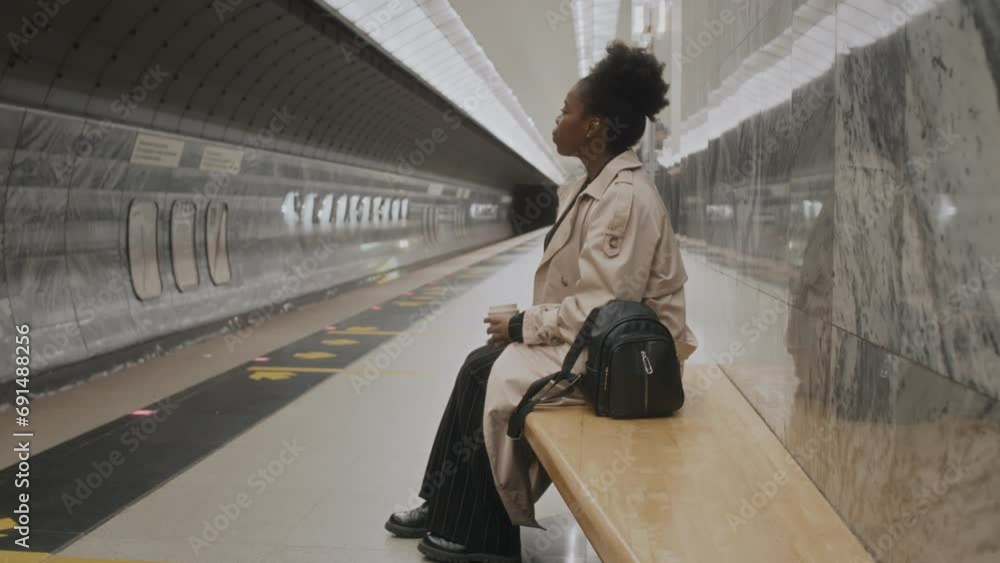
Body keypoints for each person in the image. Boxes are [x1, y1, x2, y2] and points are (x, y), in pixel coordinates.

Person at [385, 40, 698, 562]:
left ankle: (480, 533)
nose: (558, 119)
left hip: (631, 364)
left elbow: (602, 308)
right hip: (610, 348)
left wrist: (523, 324)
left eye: (566, 110)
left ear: (595, 126)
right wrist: (527, 326)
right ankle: (444, 502)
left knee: (486, 370)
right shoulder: (594, 184)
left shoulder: (621, 198)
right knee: (480, 365)